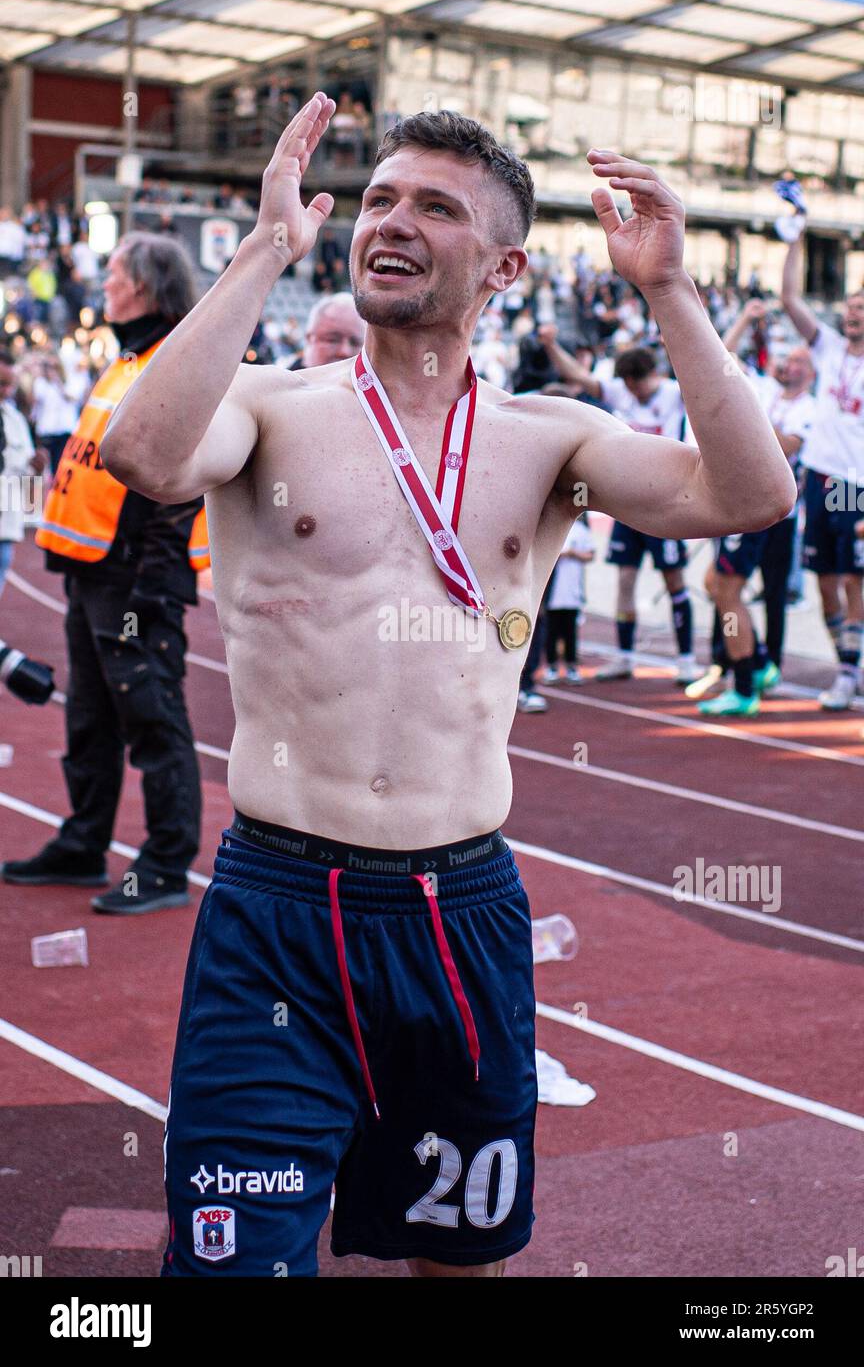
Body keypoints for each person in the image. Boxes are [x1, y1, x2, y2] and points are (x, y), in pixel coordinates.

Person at [98, 95, 794, 1278]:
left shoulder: (548, 442)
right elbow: (145, 453)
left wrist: (671, 290)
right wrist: (266, 248)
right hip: (277, 916)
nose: (392, 221)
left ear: (507, 267)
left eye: (436, 206)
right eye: (378, 198)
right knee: (228, 1266)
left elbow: (751, 495)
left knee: (457, 1264)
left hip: (459, 910)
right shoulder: (269, 407)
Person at [1, 233, 207, 915]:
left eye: (114, 276)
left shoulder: (174, 362)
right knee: (90, 719)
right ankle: (85, 841)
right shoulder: (130, 357)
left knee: (152, 718)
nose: (103, 286)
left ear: (145, 287)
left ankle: (165, 864)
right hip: (93, 572)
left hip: (133, 582)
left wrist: (150, 588)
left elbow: (174, 486)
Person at [536, 339, 700, 684]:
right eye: (627, 385)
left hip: (667, 501)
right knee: (625, 580)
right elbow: (578, 375)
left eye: (638, 385)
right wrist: (552, 345)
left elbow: (706, 366)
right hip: (628, 504)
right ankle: (625, 656)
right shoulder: (620, 392)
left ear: (652, 375)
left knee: (674, 580)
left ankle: (686, 659)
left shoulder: (673, 393)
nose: (633, 392)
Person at [690, 303, 816, 715]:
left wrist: (750, 415)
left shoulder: (808, 408)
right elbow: (720, 359)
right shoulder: (763, 389)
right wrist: (745, 319)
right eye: (787, 358)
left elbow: (785, 447)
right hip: (747, 507)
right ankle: (757, 663)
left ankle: (746, 684)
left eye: (799, 360)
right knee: (718, 585)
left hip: (770, 511)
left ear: (811, 372)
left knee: (733, 589)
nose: (789, 364)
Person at [781, 229, 864, 710]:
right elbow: (790, 298)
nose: (853, 315)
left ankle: (849, 675)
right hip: (821, 478)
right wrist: (794, 240)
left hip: (855, 486)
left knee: (854, 581)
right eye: (850, 308)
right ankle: (849, 663)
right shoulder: (829, 347)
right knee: (825, 584)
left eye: (861, 310)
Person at [0, 349, 48, 599]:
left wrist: (36, 466)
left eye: (9, 385)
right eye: (1, 384)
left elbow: (28, 470)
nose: (6, 391)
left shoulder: (15, 419)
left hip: (6, 515)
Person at [541, 513, 594, 685]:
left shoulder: (581, 531)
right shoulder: (553, 528)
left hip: (572, 590)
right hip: (552, 591)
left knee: (570, 631)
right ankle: (552, 666)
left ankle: (572, 666)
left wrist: (573, 553)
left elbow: (590, 554)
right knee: (552, 631)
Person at [285, 292, 364, 370]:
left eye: (355, 343)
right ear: (309, 338)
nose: (345, 351)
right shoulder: (280, 382)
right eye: (332, 340)